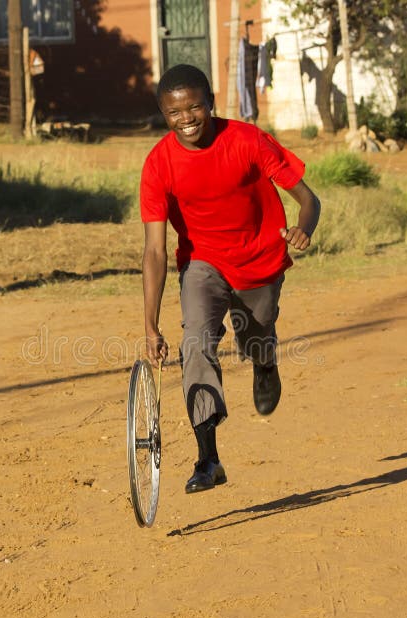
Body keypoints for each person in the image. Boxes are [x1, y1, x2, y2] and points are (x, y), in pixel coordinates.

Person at [140, 63, 321, 494]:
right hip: (202, 262)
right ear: (163, 114)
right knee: (196, 343)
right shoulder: (159, 163)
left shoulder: (246, 140)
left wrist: (304, 228)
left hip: (260, 260)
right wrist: (149, 322)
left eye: (194, 108)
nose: (186, 119)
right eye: (174, 112)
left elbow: (308, 199)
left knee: (256, 334)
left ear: (211, 103)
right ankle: (208, 457)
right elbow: (154, 249)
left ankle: (264, 362)